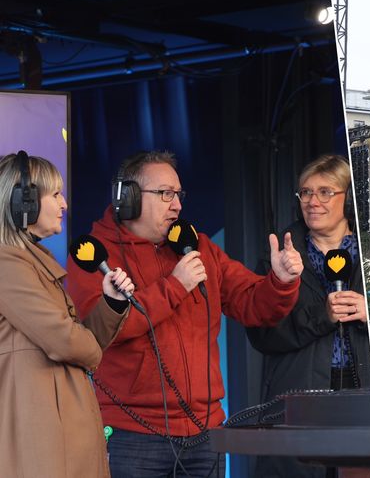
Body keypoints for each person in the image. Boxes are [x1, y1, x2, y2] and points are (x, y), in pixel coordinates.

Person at [67, 151, 303, 477]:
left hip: (204, 434)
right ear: (129, 198)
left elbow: (254, 305)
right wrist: (175, 286)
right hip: (131, 436)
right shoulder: (95, 255)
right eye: (165, 194)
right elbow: (101, 333)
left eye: (178, 194)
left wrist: (281, 281)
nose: (177, 205)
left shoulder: (199, 247)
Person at [0, 152, 135, 477]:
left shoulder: (32, 262)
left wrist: (112, 303)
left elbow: (78, 341)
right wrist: (87, 350)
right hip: (42, 443)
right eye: (56, 194)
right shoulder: (7, 264)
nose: (64, 204)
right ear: (24, 202)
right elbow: (64, 341)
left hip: (62, 436)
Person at [245, 155, 370, 477]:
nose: (313, 202)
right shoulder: (279, 256)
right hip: (300, 398)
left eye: (325, 192)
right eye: (306, 192)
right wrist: (322, 315)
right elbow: (261, 333)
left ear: (348, 197)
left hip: (365, 398)